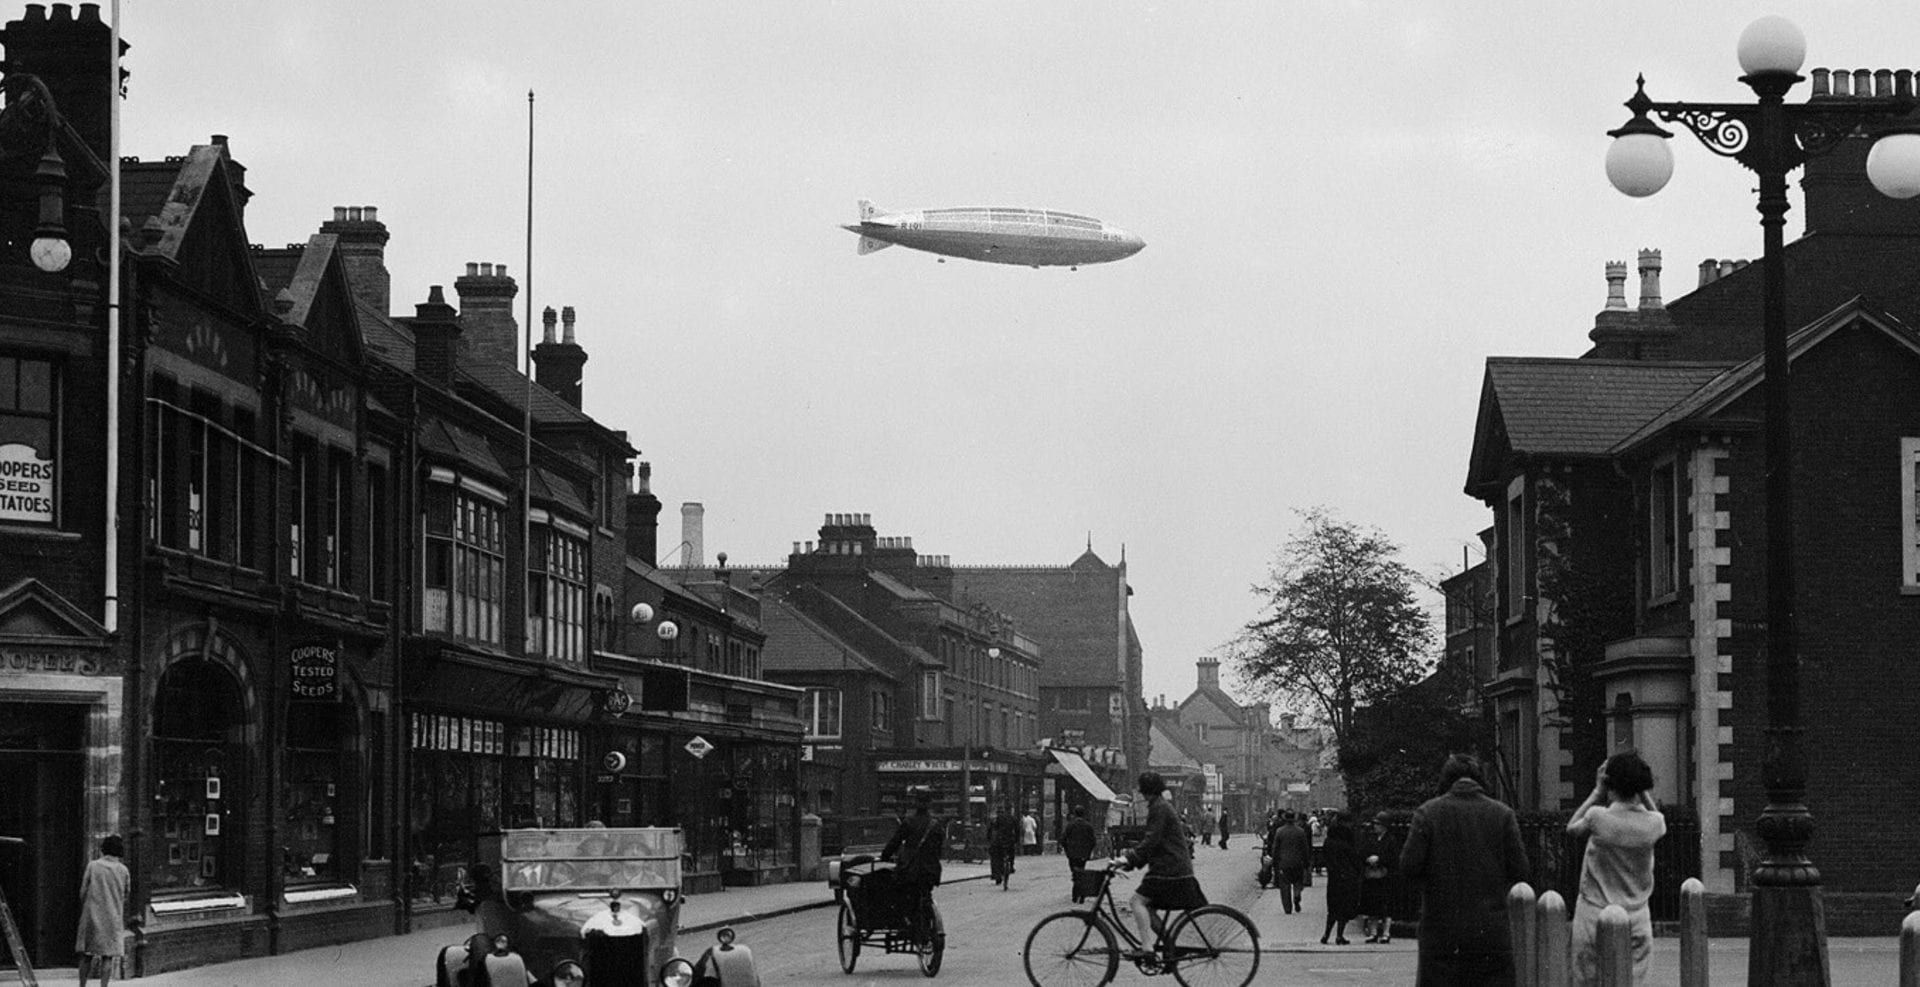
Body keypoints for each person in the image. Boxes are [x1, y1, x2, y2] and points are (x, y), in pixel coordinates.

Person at [1401, 753, 1531, 987]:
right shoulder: (1502, 814)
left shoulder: (1427, 813)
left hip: (1441, 930)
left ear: (1446, 779)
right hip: (1490, 931)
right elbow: (1520, 869)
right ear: (1479, 779)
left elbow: (1409, 866)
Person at [1567, 752, 1666, 986]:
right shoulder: (1654, 824)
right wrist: (1643, 792)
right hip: (1637, 916)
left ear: (1610, 784)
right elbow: (1659, 816)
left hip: (1594, 911)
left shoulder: (1597, 817)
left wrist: (1597, 792)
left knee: (1587, 981)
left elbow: (1572, 829)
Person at [1113, 772, 1207, 960]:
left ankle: (1147, 948)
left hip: (1168, 869)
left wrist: (1128, 859)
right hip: (1173, 867)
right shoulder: (1162, 806)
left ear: (1146, 791)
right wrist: (1132, 861)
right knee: (1148, 907)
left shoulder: (1159, 808)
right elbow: (1152, 843)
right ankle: (1169, 945)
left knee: (1137, 902)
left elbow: (1151, 841)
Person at [881, 790, 946, 940]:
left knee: (899, 893)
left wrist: (884, 857)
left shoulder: (909, 823)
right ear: (930, 805)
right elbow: (940, 848)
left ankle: (905, 924)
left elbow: (894, 842)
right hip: (930, 871)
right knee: (925, 894)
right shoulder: (936, 824)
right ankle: (927, 919)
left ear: (915, 804)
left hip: (911, 870)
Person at [76, 834, 130, 987]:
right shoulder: (123, 870)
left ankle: (82, 986)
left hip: (92, 915)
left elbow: (82, 892)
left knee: (86, 955)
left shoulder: (93, 866)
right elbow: (126, 894)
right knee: (108, 956)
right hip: (112, 917)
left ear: (103, 848)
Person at [1320, 813, 1364, 946]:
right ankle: (1339, 935)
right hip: (1347, 878)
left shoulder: (1329, 841)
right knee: (1344, 908)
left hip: (1333, 878)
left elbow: (1325, 858)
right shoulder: (1346, 841)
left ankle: (1326, 934)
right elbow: (1355, 859)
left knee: (1332, 908)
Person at [1360, 812, 1400, 944]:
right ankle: (1373, 933)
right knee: (1372, 905)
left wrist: (1380, 859)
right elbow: (1362, 852)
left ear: (1385, 826)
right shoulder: (1371, 838)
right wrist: (1368, 859)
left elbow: (1394, 858)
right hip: (1371, 876)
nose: (1375, 826)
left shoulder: (1391, 840)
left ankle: (1386, 933)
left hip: (1385, 877)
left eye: (1378, 824)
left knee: (1386, 905)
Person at [1268, 811, 1311, 914]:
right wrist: (1306, 862)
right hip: (1298, 862)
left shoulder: (1280, 831)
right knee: (1297, 882)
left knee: (1285, 885)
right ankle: (1296, 895)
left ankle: (1287, 908)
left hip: (1284, 862)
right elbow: (1305, 848)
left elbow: (1275, 848)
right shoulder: (1300, 831)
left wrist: (1274, 861)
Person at [1060, 805, 1098, 903]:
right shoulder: (1088, 826)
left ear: (1075, 813)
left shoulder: (1070, 825)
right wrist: (1088, 851)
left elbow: (1063, 839)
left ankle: (1075, 894)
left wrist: (1067, 851)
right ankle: (1081, 895)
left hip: (1072, 854)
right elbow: (1093, 841)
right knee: (1081, 872)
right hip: (1083, 855)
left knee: (1075, 873)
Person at [988, 802, 1020, 888]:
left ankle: (997, 874)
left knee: (997, 857)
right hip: (1009, 841)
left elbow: (992, 830)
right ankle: (1011, 866)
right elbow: (1017, 831)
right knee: (1011, 854)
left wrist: (990, 840)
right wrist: (1016, 840)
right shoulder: (1013, 818)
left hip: (999, 841)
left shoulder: (997, 819)